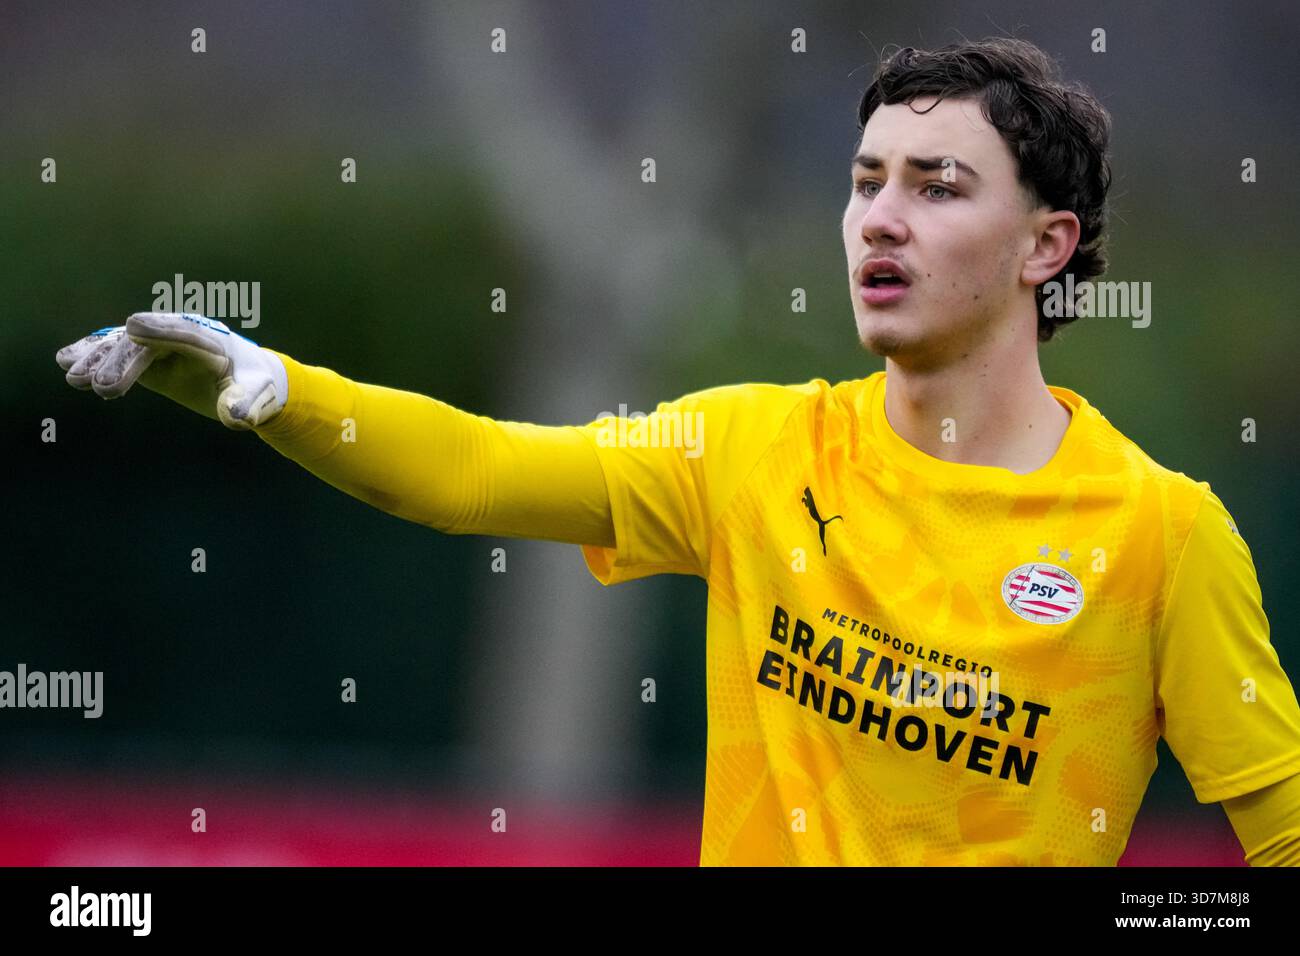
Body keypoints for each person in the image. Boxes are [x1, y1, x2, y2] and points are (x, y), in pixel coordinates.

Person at [56, 37, 1300, 866]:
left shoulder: (1159, 533)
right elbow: (476, 470)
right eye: (865, 179)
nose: (879, 215)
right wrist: (280, 391)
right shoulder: (751, 445)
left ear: (1045, 246)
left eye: (936, 185)